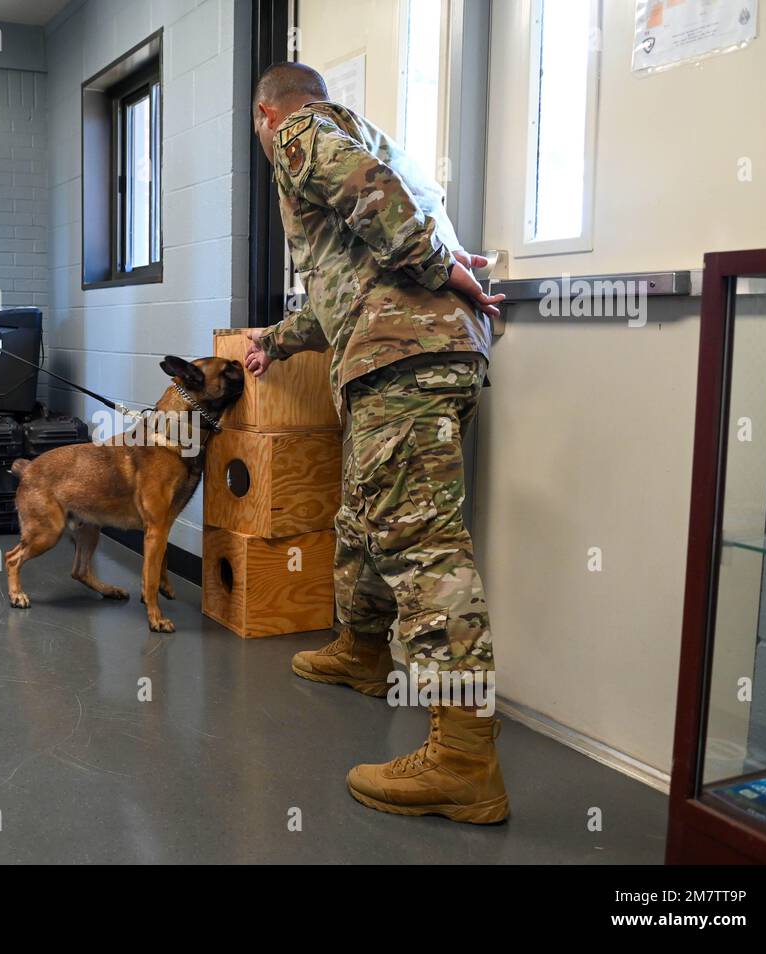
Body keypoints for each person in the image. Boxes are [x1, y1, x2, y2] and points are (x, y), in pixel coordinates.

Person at [245, 62, 510, 824]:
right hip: (425, 349)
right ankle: (362, 651)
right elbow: (344, 282)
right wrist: (279, 339)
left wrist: (438, 266)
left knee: (423, 544)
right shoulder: (379, 140)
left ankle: (464, 758)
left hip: (401, 356)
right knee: (368, 512)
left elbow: (373, 204)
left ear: (267, 114)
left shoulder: (300, 132)